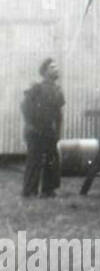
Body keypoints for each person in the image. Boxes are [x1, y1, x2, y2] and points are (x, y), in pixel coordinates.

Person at [21, 58, 64, 198]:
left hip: (49, 131)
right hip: (35, 130)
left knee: (52, 160)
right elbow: (24, 106)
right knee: (34, 160)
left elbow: (59, 113)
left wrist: (58, 130)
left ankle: (48, 190)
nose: (56, 69)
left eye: (56, 67)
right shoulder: (36, 87)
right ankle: (29, 191)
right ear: (45, 72)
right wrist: (30, 124)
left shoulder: (58, 90)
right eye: (52, 67)